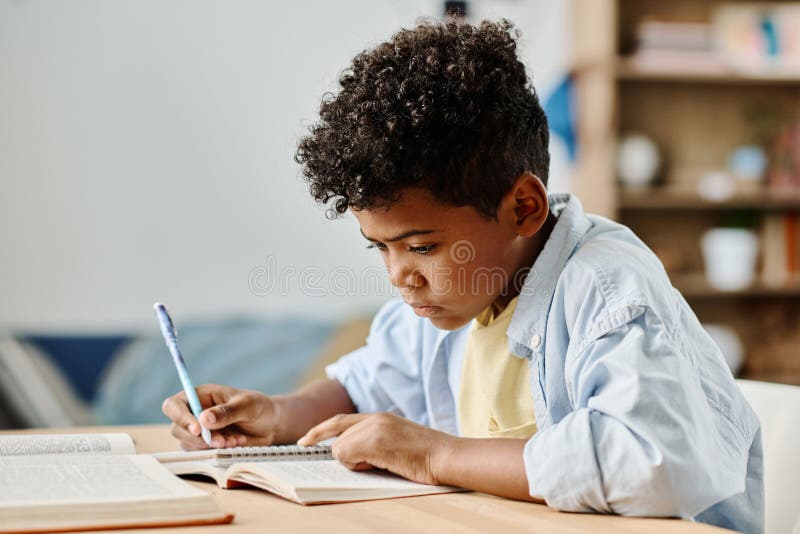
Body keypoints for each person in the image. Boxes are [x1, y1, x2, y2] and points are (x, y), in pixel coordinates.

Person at [162, 19, 763, 533]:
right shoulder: (452, 295)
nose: (401, 276)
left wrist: (435, 455)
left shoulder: (607, 290)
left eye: (420, 246)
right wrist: (276, 414)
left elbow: (649, 463)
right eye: (381, 249)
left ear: (523, 208)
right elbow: (369, 385)